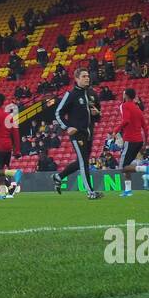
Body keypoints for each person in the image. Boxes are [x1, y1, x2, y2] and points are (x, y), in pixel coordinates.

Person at [52, 67, 101, 199]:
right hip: (77, 133)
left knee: (82, 161)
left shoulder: (92, 94)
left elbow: (97, 116)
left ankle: (58, 176)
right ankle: (90, 192)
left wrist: (97, 113)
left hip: (89, 132)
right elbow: (58, 112)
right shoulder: (71, 94)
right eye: (84, 76)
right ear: (77, 79)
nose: (87, 78)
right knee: (84, 162)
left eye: (87, 76)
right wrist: (67, 127)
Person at [111, 88, 146, 197]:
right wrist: (145, 143)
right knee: (127, 165)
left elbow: (126, 120)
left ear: (125, 95)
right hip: (139, 140)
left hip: (130, 140)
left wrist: (115, 130)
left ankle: (146, 168)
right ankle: (128, 190)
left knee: (122, 167)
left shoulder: (124, 105)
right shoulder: (137, 108)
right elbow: (145, 127)